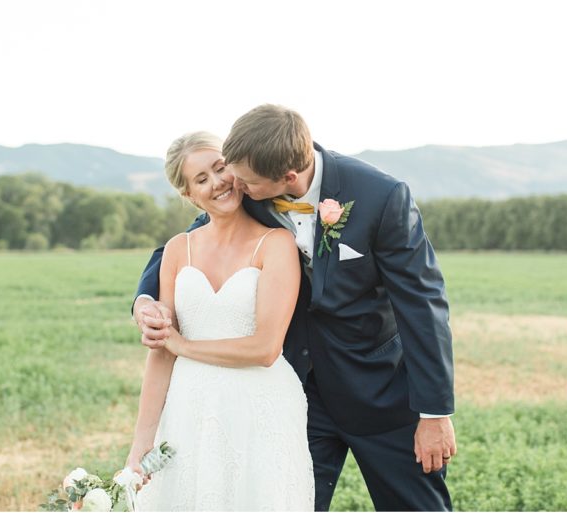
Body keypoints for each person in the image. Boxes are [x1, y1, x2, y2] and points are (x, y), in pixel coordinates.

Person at [134, 104, 457, 511]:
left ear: (286, 178)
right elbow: (182, 246)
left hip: (378, 392)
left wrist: (434, 412)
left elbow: (423, 304)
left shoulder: (381, 197)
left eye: (243, 181)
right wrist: (145, 300)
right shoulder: (250, 183)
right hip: (297, 397)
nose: (232, 185)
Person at [126, 131, 315, 511]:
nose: (217, 183)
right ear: (189, 196)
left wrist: (184, 346)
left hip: (261, 409)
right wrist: (140, 443)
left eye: (219, 168)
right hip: (188, 409)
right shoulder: (179, 250)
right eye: (201, 179)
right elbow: (161, 353)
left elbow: (265, 348)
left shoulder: (277, 243)